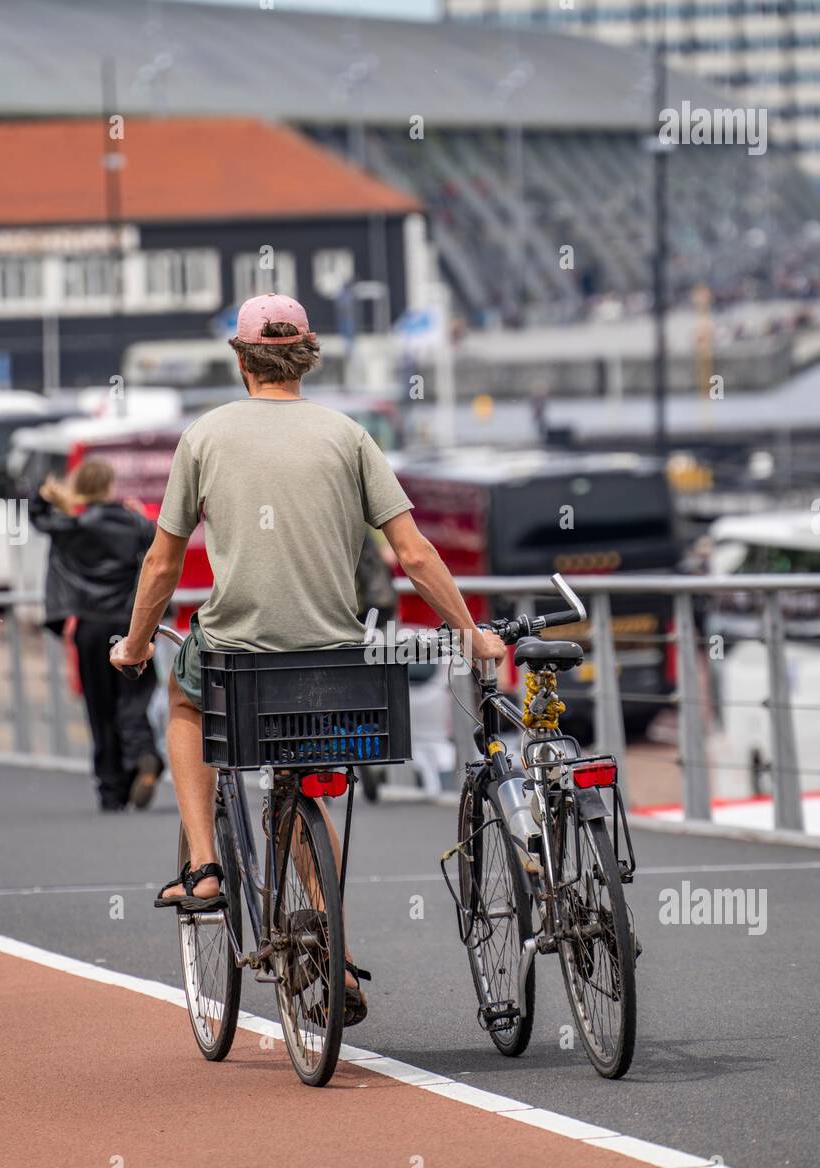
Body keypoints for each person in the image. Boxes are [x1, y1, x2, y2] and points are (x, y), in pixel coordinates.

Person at [109, 293, 505, 1023]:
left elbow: (163, 564)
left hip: (237, 651)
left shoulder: (206, 436)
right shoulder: (348, 435)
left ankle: (202, 869)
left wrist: (134, 645)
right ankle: (335, 948)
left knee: (185, 699)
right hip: (333, 653)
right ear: (309, 353)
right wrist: (473, 632)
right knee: (300, 778)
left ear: (240, 356)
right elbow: (412, 554)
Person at [30, 457, 164, 812]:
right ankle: (144, 755)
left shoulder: (71, 525)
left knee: (99, 707)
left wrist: (48, 493)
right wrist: (137, 514)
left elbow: (36, 515)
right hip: (129, 624)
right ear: (109, 486)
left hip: (89, 626)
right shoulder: (132, 521)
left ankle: (111, 788)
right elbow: (159, 550)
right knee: (134, 698)